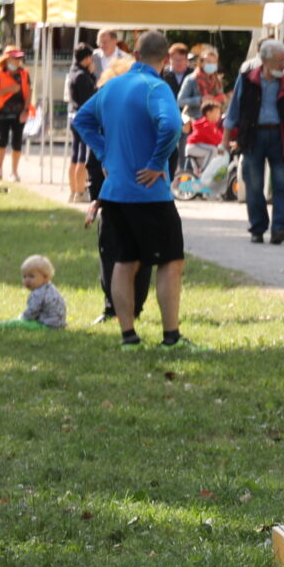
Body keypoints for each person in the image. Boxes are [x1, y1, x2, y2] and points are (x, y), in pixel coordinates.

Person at [73, 28, 187, 349]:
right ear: (165, 60)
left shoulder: (113, 86)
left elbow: (82, 119)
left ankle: (128, 335)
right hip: (148, 192)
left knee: (124, 261)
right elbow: (172, 125)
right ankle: (171, 336)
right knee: (170, 261)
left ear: (134, 55)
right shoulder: (156, 86)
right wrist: (156, 162)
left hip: (114, 191)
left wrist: (105, 151)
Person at [224, 39, 284, 246]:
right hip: (253, 137)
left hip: (280, 136)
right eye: (280, 60)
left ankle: (280, 228)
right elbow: (233, 110)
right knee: (253, 185)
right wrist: (225, 140)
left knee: (282, 184)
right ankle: (257, 227)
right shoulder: (247, 79)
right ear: (264, 60)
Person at [0, 256, 67, 331]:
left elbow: (31, 312)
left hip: (46, 325)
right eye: (24, 277)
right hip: (58, 323)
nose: (27, 280)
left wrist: (21, 319)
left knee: (15, 324)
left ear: (45, 277)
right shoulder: (50, 288)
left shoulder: (38, 293)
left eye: (31, 277)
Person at [0, 46, 30, 182]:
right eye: (15, 58)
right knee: (2, 140)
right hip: (2, 112)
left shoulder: (24, 73)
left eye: (19, 58)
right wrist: (8, 89)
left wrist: (26, 110)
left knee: (17, 142)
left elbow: (28, 94)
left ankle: (14, 172)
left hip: (19, 112)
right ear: (7, 59)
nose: (18, 61)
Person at [66, 49, 100, 202]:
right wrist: (92, 75)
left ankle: (73, 190)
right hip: (83, 116)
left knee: (75, 153)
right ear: (87, 58)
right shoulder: (83, 76)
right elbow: (90, 98)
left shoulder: (73, 72)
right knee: (82, 154)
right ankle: (80, 191)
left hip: (73, 114)